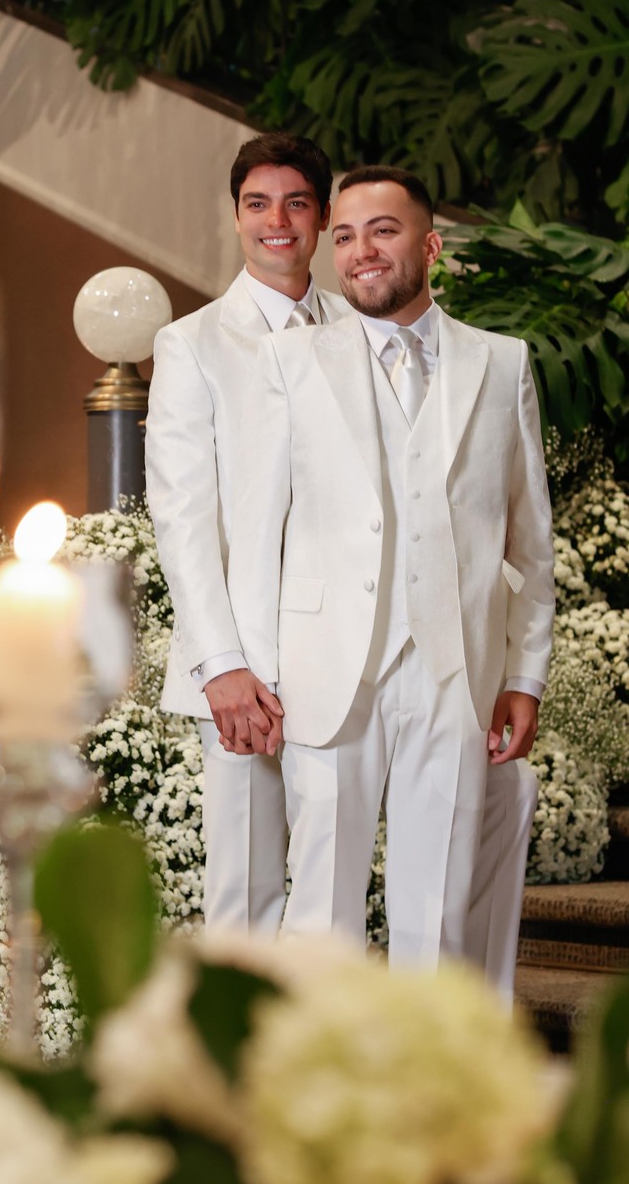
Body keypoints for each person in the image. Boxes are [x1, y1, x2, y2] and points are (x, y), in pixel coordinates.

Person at [225, 164, 554, 972]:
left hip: (455, 674)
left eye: (384, 231)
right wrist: (243, 667)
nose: (361, 251)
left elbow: (529, 542)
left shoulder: (501, 363)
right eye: (345, 236)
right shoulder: (289, 364)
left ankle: (425, 1094)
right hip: (325, 673)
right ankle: (315, 1094)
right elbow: (253, 530)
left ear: (431, 244)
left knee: (438, 917)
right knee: (319, 921)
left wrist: (526, 676)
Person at [146, 131, 346, 932]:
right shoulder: (192, 344)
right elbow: (183, 516)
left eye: (296, 203)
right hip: (245, 664)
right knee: (247, 893)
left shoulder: (356, 333)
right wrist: (220, 667)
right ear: (236, 217)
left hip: (341, 651)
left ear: (322, 218)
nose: (277, 221)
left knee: (332, 891)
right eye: (258, 204)